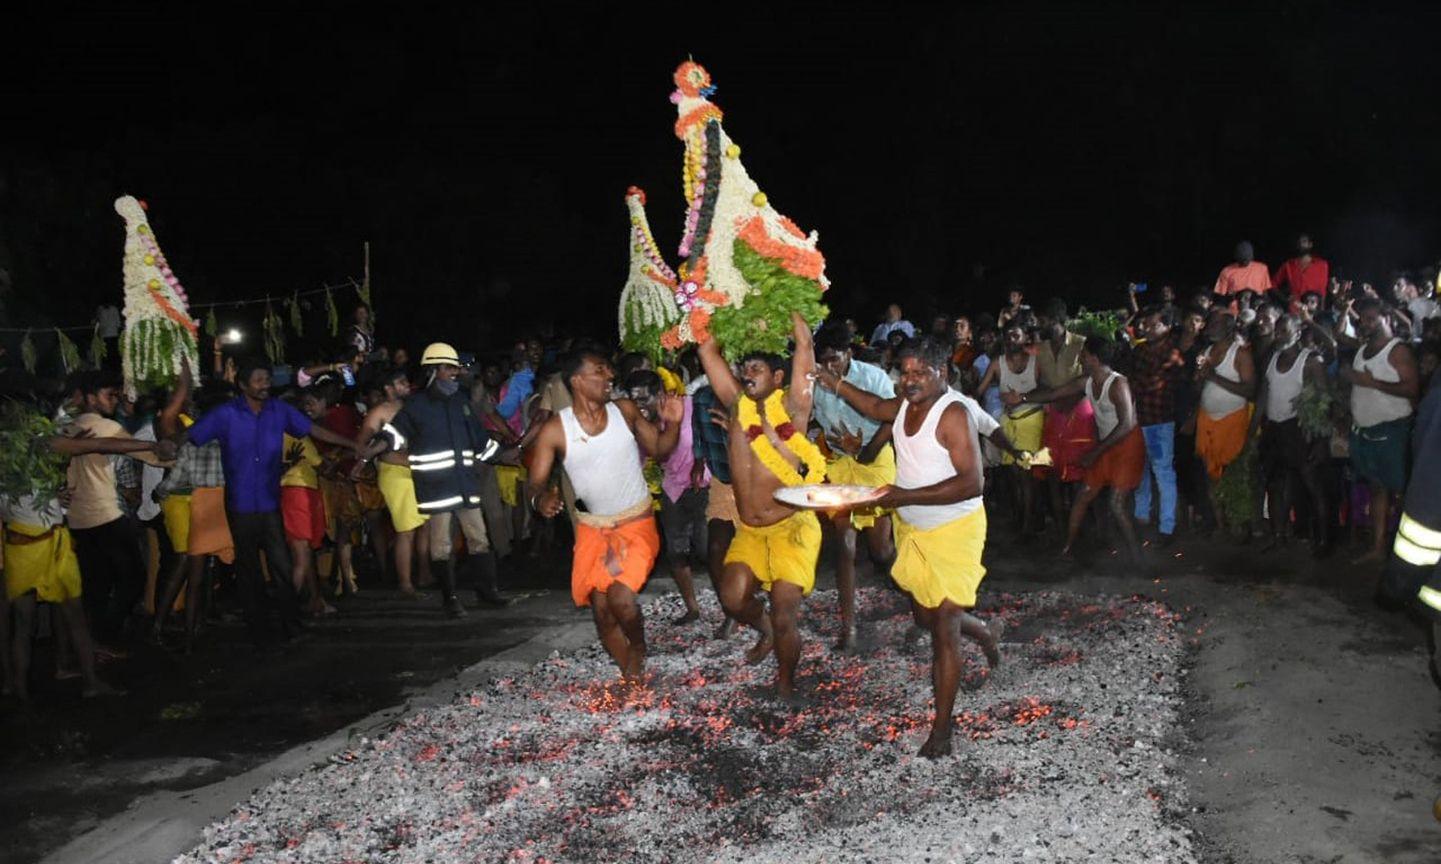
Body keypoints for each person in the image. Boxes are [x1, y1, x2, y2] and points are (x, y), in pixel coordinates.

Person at [815, 336, 1004, 757]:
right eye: (905, 372)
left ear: (942, 373)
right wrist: (833, 382)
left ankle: (942, 731)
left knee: (944, 630)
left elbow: (972, 483)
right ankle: (987, 632)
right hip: (914, 528)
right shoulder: (902, 405)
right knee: (925, 615)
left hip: (956, 530)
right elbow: (871, 406)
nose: (910, 380)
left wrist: (900, 497)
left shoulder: (952, 413)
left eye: (921, 372)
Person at [525, 348, 682, 682]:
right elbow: (534, 483)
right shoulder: (556, 429)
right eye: (601, 371)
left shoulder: (624, 411)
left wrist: (675, 422)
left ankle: (638, 651)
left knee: (621, 599)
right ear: (578, 381)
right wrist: (541, 500)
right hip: (593, 531)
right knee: (602, 614)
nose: (611, 377)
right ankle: (632, 677)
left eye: (610, 371)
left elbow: (660, 449)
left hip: (636, 524)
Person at [183, 358, 359, 647]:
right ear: (242, 385)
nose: (265, 385)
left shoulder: (279, 410)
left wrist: (351, 444)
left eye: (267, 380)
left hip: (269, 502)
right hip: (240, 504)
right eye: (259, 380)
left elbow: (313, 431)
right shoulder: (226, 413)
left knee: (282, 566)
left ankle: (291, 625)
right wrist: (166, 440)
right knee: (249, 569)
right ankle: (258, 630)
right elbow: (191, 435)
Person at [695, 312, 825, 701]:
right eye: (744, 367)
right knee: (733, 598)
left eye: (757, 368)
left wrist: (781, 303)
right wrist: (728, 306)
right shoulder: (737, 408)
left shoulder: (795, 409)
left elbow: (803, 344)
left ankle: (785, 683)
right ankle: (764, 630)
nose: (747, 373)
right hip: (750, 529)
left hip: (792, 528)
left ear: (778, 378)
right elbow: (707, 348)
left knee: (786, 614)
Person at [6, 428, 174, 698]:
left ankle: (21, 693)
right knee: (73, 618)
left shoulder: (7, 454)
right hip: (49, 544)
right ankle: (89, 684)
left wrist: (51, 496)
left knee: (25, 625)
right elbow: (98, 444)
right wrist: (149, 445)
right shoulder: (42, 443)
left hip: (20, 544)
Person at [366, 342, 510, 616]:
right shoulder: (417, 406)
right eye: (449, 367)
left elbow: (478, 439)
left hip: (465, 485)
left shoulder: (461, 402)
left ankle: (487, 591)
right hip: (437, 489)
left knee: (479, 538)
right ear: (433, 370)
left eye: (456, 367)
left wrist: (503, 455)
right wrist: (375, 447)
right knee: (441, 546)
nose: (455, 372)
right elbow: (395, 433)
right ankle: (450, 598)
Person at [1006, 337, 1146, 560]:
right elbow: (1054, 394)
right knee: (1083, 496)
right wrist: (1021, 398)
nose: (1080, 358)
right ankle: (1068, 548)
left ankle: (1138, 557)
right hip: (1107, 444)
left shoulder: (1118, 384)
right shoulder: (1087, 381)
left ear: (1095, 358)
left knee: (1116, 504)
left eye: (1084, 354)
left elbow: (1127, 424)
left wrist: (1095, 452)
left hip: (1127, 445)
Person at [64, 371, 174, 649]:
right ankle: (105, 635)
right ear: (91, 398)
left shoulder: (67, 428)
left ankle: (95, 643)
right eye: (109, 395)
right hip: (105, 514)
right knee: (133, 577)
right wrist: (171, 452)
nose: (114, 400)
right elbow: (152, 456)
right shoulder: (105, 427)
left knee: (96, 583)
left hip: (77, 518)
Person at [812, 320, 897, 650]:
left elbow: (891, 419)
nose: (828, 367)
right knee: (844, 546)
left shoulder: (873, 377)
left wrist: (865, 451)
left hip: (874, 461)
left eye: (834, 359)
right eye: (823, 361)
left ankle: (913, 591)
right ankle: (848, 627)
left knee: (880, 550)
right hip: (840, 465)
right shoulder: (817, 381)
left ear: (849, 354)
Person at [152, 376, 238, 648]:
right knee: (192, 565)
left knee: (194, 570)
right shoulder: (232, 439)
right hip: (221, 505)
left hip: (198, 502)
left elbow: (176, 477)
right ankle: (185, 624)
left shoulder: (191, 437)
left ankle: (188, 632)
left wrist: (160, 491)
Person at [625, 369, 709, 625]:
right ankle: (692, 608)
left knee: (708, 550)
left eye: (643, 400)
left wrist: (700, 459)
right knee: (677, 552)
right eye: (634, 401)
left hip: (702, 483)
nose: (639, 407)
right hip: (673, 487)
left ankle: (732, 608)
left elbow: (708, 434)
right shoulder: (642, 424)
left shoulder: (689, 406)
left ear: (660, 394)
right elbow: (641, 458)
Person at [1343, 298, 1419, 564]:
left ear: (1388, 318)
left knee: (1400, 491)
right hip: (1366, 431)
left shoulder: (1397, 351)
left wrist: (1371, 382)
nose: (1366, 323)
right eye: (1363, 319)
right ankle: (1377, 547)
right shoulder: (1362, 349)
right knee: (1378, 489)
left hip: (1393, 431)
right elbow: (1339, 337)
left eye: (1373, 319)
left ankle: (1404, 552)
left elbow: (1412, 390)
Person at [1249, 314, 1330, 555]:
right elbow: (1263, 397)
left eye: (1284, 330)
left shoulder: (1311, 361)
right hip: (1275, 429)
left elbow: (1323, 401)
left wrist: (1320, 440)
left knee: (1312, 485)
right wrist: (1253, 431)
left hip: (1299, 429)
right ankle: (1278, 536)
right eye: (1277, 331)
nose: (1278, 335)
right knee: (1275, 485)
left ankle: (1324, 540)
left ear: (1297, 332)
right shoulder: (1271, 359)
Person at [354, 366, 429, 596]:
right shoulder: (380, 412)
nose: (406, 385)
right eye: (400, 382)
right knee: (406, 530)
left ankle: (425, 573)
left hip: (418, 468)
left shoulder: (414, 406)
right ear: (388, 388)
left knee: (424, 524)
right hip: (395, 472)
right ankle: (405, 583)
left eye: (407, 381)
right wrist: (372, 455)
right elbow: (361, 443)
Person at [976, 320, 1044, 533]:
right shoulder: (997, 363)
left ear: (1026, 338)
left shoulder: (1036, 362)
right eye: (1008, 335)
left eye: (1016, 335)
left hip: (1032, 420)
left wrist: (1021, 398)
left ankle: (1026, 525)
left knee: (1025, 475)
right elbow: (979, 391)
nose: (1011, 339)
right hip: (1009, 421)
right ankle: (1024, 519)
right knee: (1014, 475)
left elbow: (1049, 390)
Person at [1195, 309, 1256, 533]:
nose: (1210, 327)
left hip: (1232, 420)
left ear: (1229, 328)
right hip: (1207, 420)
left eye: (1216, 323)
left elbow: (1249, 389)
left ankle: (1240, 526)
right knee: (1212, 477)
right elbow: (1200, 387)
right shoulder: (1206, 352)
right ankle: (1222, 527)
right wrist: (1200, 377)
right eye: (1210, 323)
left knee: (1234, 475)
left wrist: (1213, 376)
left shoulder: (1240, 354)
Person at [1130, 306, 1186, 544]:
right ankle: (1141, 518)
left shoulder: (1172, 353)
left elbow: (1164, 385)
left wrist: (1140, 386)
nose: (1147, 329)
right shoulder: (1141, 349)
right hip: (1140, 419)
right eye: (1147, 325)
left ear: (1167, 326)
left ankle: (1167, 526)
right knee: (1139, 471)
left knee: (1163, 473)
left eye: (1154, 325)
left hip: (1160, 421)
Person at [691, 378, 739, 639]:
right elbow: (698, 435)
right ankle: (731, 611)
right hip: (722, 481)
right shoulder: (701, 398)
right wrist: (698, 461)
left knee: (757, 554)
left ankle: (759, 606)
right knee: (716, 549)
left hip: (753, 484)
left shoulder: (750, 396)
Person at [1271, 234, 1330, 305]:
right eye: (1299, 242)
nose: (1301, 244)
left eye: (1304, 242)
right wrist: (1284, 298)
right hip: (1294, 309)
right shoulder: (1288, 265)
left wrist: (1321, 309)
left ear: (1310, 244)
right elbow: (1272, 284)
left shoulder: (1322, 265)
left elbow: (1322, 290)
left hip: (1313, 310)